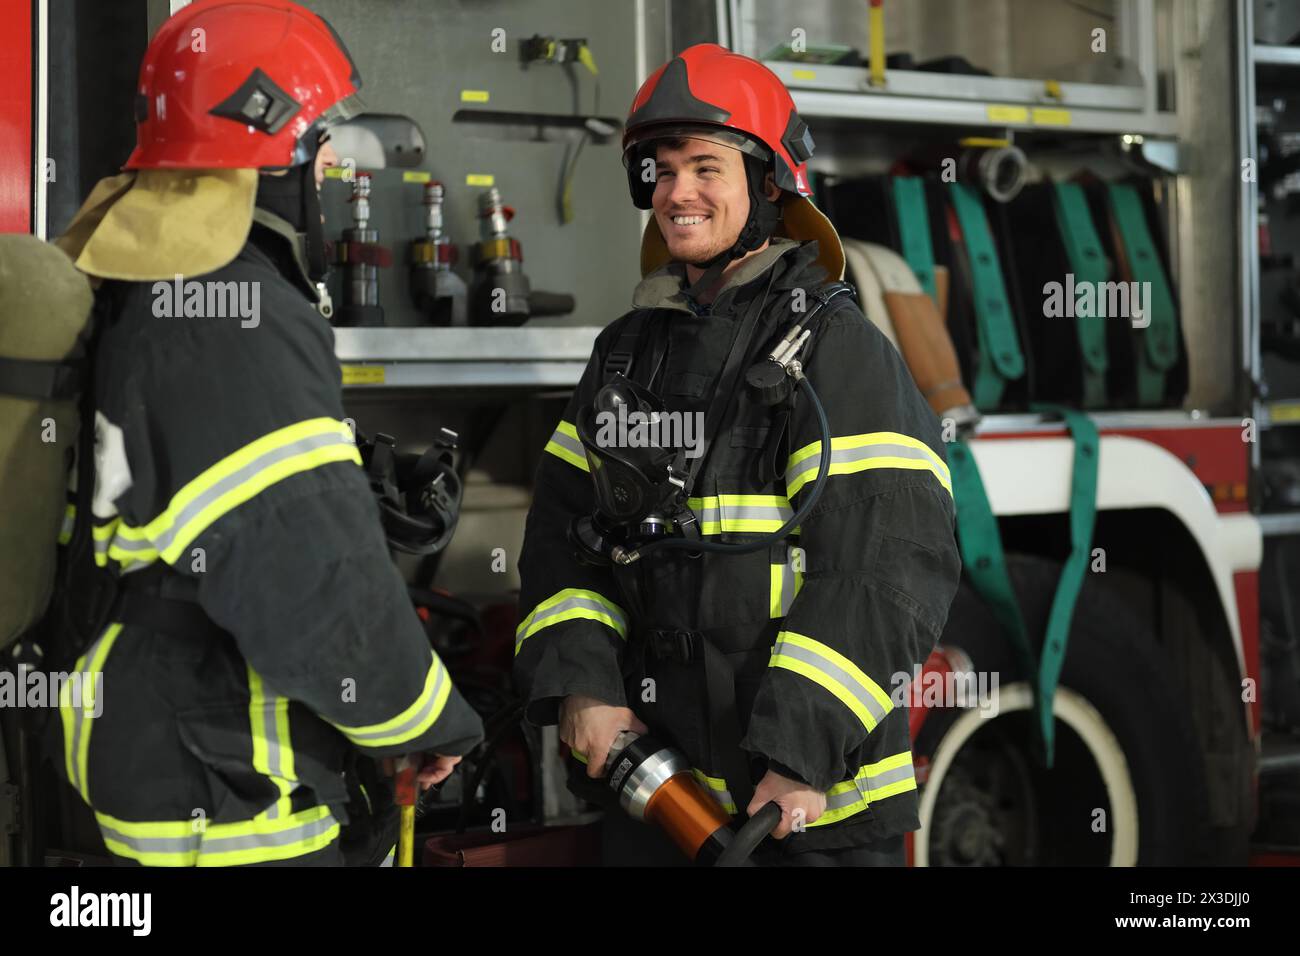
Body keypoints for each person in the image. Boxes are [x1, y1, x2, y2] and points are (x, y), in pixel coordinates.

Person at [47, 0, 482, 866]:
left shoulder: (145, 281)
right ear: (275, 148)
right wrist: (427, 718)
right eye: (323, 149)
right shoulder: (231, 311)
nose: (329, 176)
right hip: (228, 788)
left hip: (157, 751)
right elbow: (312, 582)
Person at [514, 44, 962, 866]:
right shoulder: (625, 356)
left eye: (705, 167)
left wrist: (798, 757)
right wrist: (587, 687)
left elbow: (885, 570)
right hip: (660, 801)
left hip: (807, 814)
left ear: (768, 186)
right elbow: (563, 541)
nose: (677, 191)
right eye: (661, 168)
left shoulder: (835, 351)